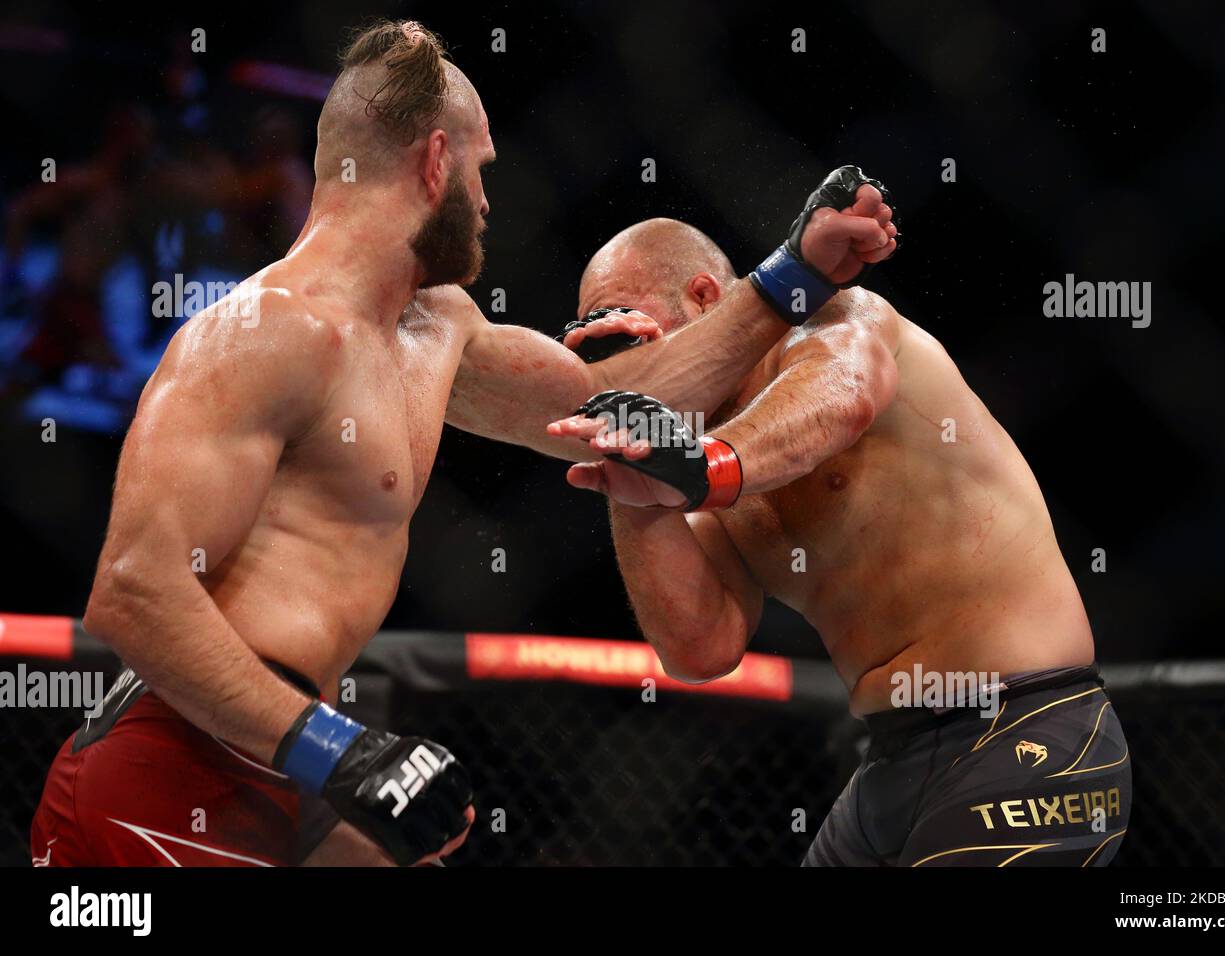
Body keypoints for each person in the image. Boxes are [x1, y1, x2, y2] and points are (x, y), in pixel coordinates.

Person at [30, 19, 895, 867]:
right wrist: (346, 753)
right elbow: (136, 593)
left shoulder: (437, 327)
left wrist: (792, 273)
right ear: (435, 161)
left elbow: (608, 404)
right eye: (481, 170)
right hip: (171, 762)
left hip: (290, 764)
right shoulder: (261, 333)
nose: (487, 203)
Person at [548, 217, 1131, 866]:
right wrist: (629, 472)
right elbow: (700, 649)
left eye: (626, 320)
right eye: (599, 339)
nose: (620, 346)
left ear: (706, 298)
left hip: (1027, 731)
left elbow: (842, 398)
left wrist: (702, 466)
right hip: (891, 756)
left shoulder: (831, 319)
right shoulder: (700, 464)